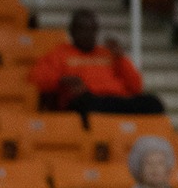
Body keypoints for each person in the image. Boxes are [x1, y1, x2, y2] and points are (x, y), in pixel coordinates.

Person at [30, 8, 162, 114]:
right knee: (86, 103)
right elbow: (37, 78)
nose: (89, 34)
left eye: (93, 30)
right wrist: (61, 79)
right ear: (72, 31)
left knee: (153, 103)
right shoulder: (59, 54)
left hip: (116, 99)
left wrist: (121, 58)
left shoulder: (108, 53)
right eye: (84, 29)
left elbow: (136, 86)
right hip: (87, 100)